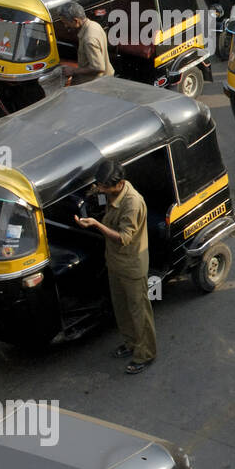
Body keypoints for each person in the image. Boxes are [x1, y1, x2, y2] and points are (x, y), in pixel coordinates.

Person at [75, 159, 156, 374]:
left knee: (139, 312)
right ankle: (131, 344)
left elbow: (123, 238)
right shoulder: (109, 191)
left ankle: (145, 353)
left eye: (103, 186)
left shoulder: (132, 203)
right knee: (121, 308)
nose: (100, 189)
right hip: (114, 262)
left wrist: (96, 224)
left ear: (118, 184)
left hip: (131, 266)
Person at [55, 1, 113, 85]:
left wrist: (73, 70)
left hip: (96, 85)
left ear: (76, 20)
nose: (65, 26)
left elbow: (98, 67)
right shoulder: (94, 25)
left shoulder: (88, 39)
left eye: (66, 23)